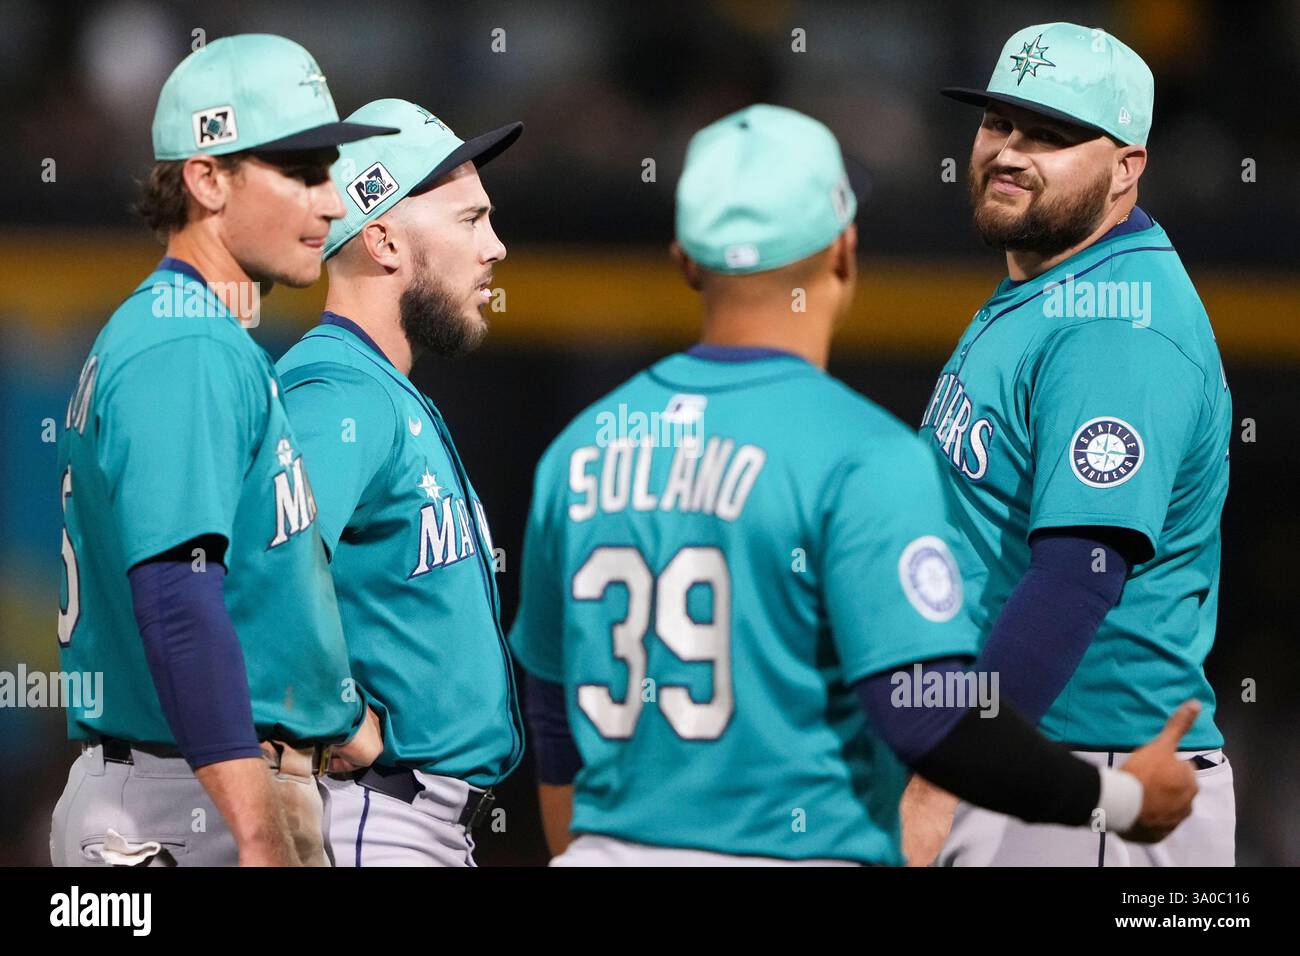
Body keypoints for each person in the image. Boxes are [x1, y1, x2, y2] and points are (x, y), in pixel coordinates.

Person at [508, 104, 1200, 866]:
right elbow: (925, 715)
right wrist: (1121, 801)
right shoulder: (862, 454)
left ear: (684, 260)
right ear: (844, 250)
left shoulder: (579, 452)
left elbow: (550, 711)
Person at [50, 34, 394, 867]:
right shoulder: (187, 346)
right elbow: (177, 598)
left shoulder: (201, 334)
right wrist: (255, 832)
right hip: (181, 805)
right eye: (301, 172)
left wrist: (326, 713)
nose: (330, 203)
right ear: (207, 177)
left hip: (189, 784)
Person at [903, 22, 1234, 867]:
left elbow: (1075, 580)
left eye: (1050, 134)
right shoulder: (1052, 273)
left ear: (1127, 168)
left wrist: (945, 779)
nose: (1010, 152)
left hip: (1085, 785)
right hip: (1021, 757)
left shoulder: (1118, 331)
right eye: (999, 123)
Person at [276, 99, 525, 866]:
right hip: (375, 815)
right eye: (469, 220)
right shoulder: (336, 390)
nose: (496, 247)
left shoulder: (376, 388)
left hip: (414, 822)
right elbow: (256, 566)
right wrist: (336, 718)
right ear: (382, 236)